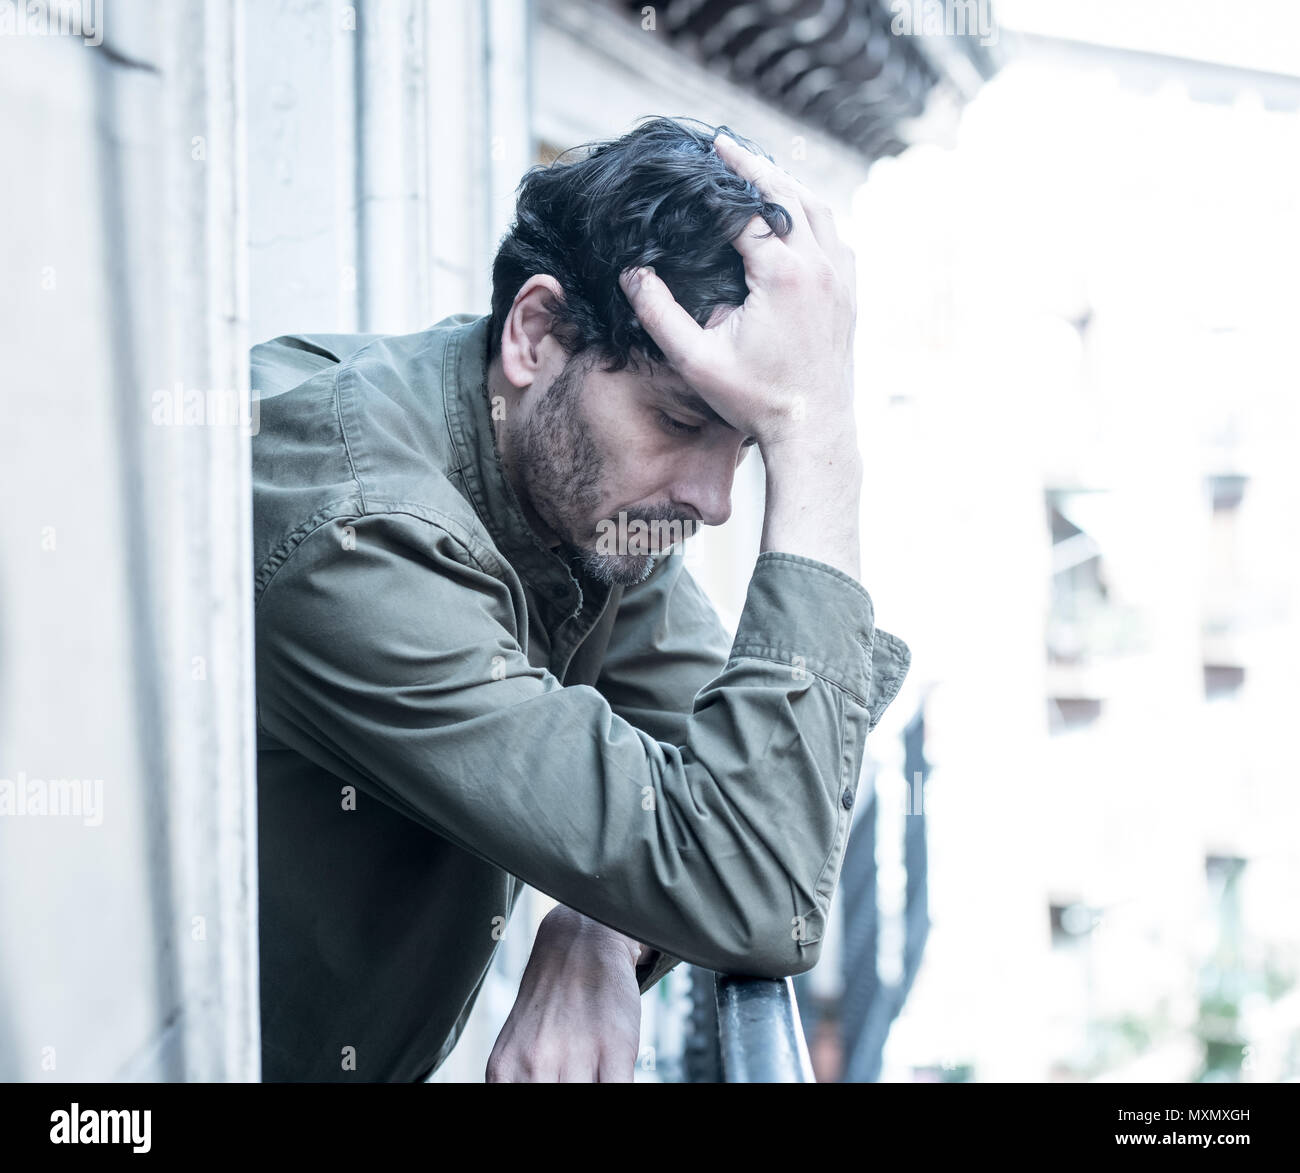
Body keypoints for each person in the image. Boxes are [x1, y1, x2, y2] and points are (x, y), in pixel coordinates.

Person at [250, 116, 909, 1083]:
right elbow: (760, 875)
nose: (717, 500)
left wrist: (602, 919)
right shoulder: (358, 536)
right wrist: (818, 448)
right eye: (682, 419)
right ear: (537, 333)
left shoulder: (572, 487)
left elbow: (764, 786)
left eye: (747, 449)